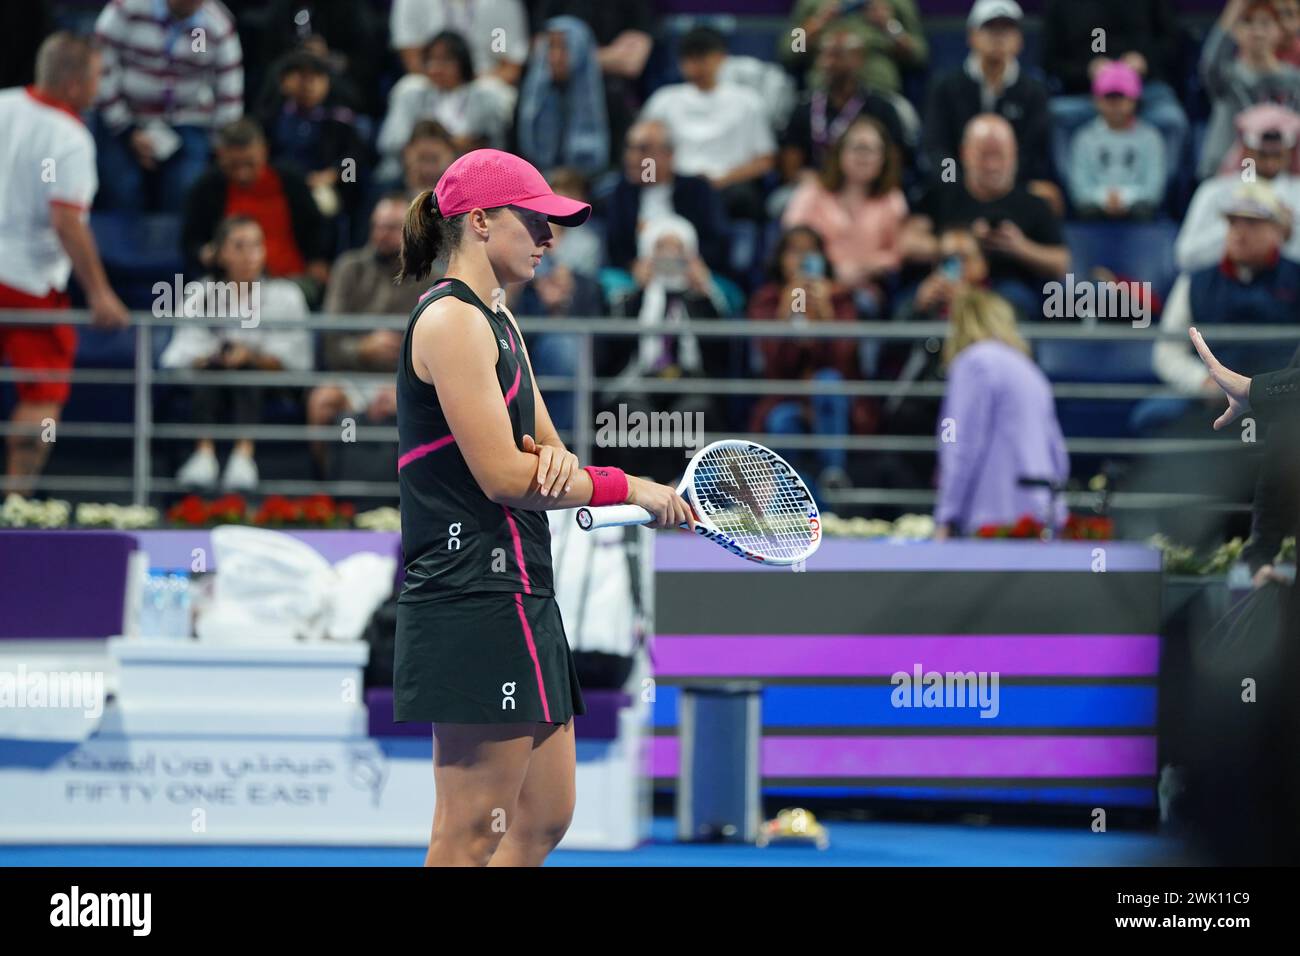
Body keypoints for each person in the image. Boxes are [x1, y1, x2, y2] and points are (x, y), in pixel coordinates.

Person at [392, 148, 692, 866]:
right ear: (484, 222)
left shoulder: (501, 321)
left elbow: (549, 450)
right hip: (468, 593)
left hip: (523, 585)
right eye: (537, 220)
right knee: (469, 831)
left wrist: (554, 467)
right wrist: (635, 488)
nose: (551, 237)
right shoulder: (451, 322)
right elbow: (504, 474)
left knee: (542, 819)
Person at [0, 33, 130, 497]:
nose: (99, 88)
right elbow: (67, 220)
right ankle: (15, 504)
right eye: (96, 78)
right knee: (43, 395)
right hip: (27, 284)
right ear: (75, 83)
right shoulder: (69, 137)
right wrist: (99, 292)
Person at [160, 216, 313, 491]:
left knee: (247, 372)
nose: (249, 256)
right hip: (211, 378)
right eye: (239, 247)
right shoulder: (201, 292)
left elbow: (296, 357)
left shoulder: (286, 294)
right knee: (214, 370)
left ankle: (243, 456)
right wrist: (213, 356)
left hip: (267, 383)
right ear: (220, 254)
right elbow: (181, 349)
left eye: (256, 246)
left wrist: (250, 356)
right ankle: (203, 454)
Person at [599, 214, 731, 483]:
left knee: (691, 414)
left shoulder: (702, 300)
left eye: (677, 249)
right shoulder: (629, 299)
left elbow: (723, 351)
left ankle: (677, 485)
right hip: (639, 380)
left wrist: (705, 290)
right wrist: (638, 292)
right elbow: (612, 350)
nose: (669, 256)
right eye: (662, 248)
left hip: (689, 381)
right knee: (633, 415)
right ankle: (638, 484)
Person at [307, 196, 430, 475]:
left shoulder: (430, 277)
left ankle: (405, 497)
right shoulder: (349, 267)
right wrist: (362, 348)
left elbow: (438, 351)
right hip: (352, 375)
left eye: (390, 228)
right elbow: (330, 340)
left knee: (433, 408)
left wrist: (402, 382)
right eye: (377, 226)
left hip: (405, 380)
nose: (380, 235)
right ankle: (327, 490)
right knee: (321, 401)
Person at [933, 289, 1069, 538]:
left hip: (992, 519)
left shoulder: (973, 363)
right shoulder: (1030, 370)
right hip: (1042, 514)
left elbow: (957, 440)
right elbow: (1058, 454)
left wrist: (946, 513)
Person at [905, 114, 1070, 318]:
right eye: (984, 155)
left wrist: (1019, 247)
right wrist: (960, 245)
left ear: (1014, 155)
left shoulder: (1033, 203)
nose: (992, 165)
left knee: (1013, 304)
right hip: (947, 278)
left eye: (999, 155)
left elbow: (1061, 263)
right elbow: (908, 242)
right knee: (909, 304)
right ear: (965, 153)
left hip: (1006, 288)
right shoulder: (942, 194)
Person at [1152, 183, 1300, 410]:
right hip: (1213, 400)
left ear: (1277, 230)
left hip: (1283, 400)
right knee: (1154, 418)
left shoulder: (1295, 277)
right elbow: (1167, 352)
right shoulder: (1194, 282)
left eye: (1252, 223)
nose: (1240, 231)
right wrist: (1202, 381)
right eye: (1233, 222)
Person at [92, 0, 244, 212]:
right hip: (125, 117)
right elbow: (98, 70)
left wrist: (219, 144)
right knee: (122, 192)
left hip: (187, 121)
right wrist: (126, 129)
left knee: (188, 189)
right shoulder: (126, 10)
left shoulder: (216, 23)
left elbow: (230, 92)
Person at [747, 226, 862, 492]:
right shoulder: (767, 299)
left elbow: (845, 359)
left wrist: (826, 316)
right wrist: (784, 316)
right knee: (782, 422)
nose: (801, 259)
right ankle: (792, 501)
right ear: (780, 259)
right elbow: (770, 362)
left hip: (832, 399)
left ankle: (833, 475)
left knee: (828, 380)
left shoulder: (840, 298)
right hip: (786, 398)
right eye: (793, 251)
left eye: (809, 251)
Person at [1040, 0, 1186, 184]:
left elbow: (1173, 42)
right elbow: (1050, 61)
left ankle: (1154, 196)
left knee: (1172, 119)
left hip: (1145, 92)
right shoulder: (1062, 5)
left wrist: (1145, 60)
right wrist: (1087, 69)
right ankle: (1080, 195)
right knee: (1055, 117)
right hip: (1087, 96)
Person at [182, 118, 330, 297]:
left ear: (263, 152)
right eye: (233, 165)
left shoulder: (290, 181)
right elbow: (190, 241)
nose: (242, 173)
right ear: (220, 155)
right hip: (231, 286)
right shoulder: (207, 189)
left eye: (250, 164)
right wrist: (204, 252)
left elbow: (317, 227)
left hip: (291, 280)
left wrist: (317, 260)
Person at [639, 27, 776, 221]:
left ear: (721, 57)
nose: (695, 66)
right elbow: (644, 150)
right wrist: (656, 178)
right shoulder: (663, 100)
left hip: (728, 188)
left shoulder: (748, 101)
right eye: (688, 59)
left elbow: (765, 160)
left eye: (702, 58)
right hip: (674, 186)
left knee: (741, 199)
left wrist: (721, 181)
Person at [923, 0, 1055, 193]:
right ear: (971, 36)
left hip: (1014, 191)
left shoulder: (1034, 91)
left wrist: (1003, 184)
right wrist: (956, 184)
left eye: (1007, 29)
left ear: (1020, 40)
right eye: (990, 28)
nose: (999, 37)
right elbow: (936, 148)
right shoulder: (945, 87)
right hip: (955, 191)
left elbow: (1034, 153)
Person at [782, 115, 907, 311]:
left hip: (864, 288)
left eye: (872, 150)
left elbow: (897, 251)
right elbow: (791, 240)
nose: (863, 156)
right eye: (857, 147)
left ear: (884, 158)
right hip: (811, 281)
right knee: (800, 300)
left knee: (863, 303)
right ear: (840, 152)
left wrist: (863, 267)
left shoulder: (892, 199)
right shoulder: (811, 192)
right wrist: (832, 271)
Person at [780, 26, 914, 184]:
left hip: (868, 188)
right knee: (783, 200)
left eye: (835, 55)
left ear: (858, 59)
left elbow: (894, 166)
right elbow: (790, 169)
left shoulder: (882, 109)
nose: (825, 63)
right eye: (822, 55)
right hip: (815, 188)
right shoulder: (804, 108)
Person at [1177, 103, 1300, 270]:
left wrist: (1288, 235)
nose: (1270, 162)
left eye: (1277, 155)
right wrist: (1237, 224)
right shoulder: (1214, 191)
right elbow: (1185, 257)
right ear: (1246, 150)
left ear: (1290, 152)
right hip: (1221, 284)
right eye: (1263, 154)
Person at [603, 119, 730, 276]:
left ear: (668, 155)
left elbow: (717, 242)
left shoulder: (698, 190)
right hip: (639, 276)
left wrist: (691, 265)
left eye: (644, 149)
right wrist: (634, 266)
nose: (632, 157)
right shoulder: (622, 193)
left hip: (695, 272)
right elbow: (616, 246)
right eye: (630, 148)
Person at [377, 30, 509, 181]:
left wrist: (452, 146)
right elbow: (391, 143)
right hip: (415, 173)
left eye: (445, 60)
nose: (436, 68)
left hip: (470, 175)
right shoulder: (411, 93)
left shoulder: (485, 96)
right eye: (431, 60)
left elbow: (494, 145)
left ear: (462, 61)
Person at [1200, 0, 1300, 179]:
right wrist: (1237, 6)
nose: (1257, 31)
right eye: (1248, 23)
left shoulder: (1294, 81)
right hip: (1231, 175)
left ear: (1279, 31)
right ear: (1236, 32)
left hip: (1282, 177)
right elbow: (1210, 61)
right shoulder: (1225, 76)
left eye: (1265, 23)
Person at [1068, 61, 1167, 219]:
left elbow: (1153, 190)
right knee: (1086, 210)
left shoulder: (1151, 138)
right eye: (1109, 97)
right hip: (1094, 212)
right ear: (1097, 101)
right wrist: (1103, 199)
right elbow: (1079, 188)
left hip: (1138, 211)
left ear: (1135, 100)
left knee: (1144, 211)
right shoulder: (1084, 138)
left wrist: (1124, 198)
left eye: (1121, 97)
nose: (1115, 105)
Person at [516, 18, 608, 177]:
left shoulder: (609, 94)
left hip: (588, 183)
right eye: (551, 47)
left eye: (564, 48)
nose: (555, 57)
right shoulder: (530, 95)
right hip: (538, 179)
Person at [782, 0, 928, 95]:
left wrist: (889, 25)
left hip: (880, 91)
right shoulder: (810, 4)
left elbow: (918, 56)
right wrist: (818, 21)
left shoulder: (898, 4)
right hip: (823, 94)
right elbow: (790, 50)